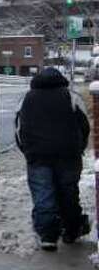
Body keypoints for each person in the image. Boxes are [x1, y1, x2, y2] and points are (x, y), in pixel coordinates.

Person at [15, 67, 91, 251]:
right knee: (69, 193)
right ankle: (72, 230)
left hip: (38, 156)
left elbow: (18, 129)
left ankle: (48, 235)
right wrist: (78, 149)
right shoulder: (71, 97)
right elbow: (85, 126)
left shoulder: (26, 98)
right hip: (68, 155)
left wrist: (28, 152)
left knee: (43, 194)